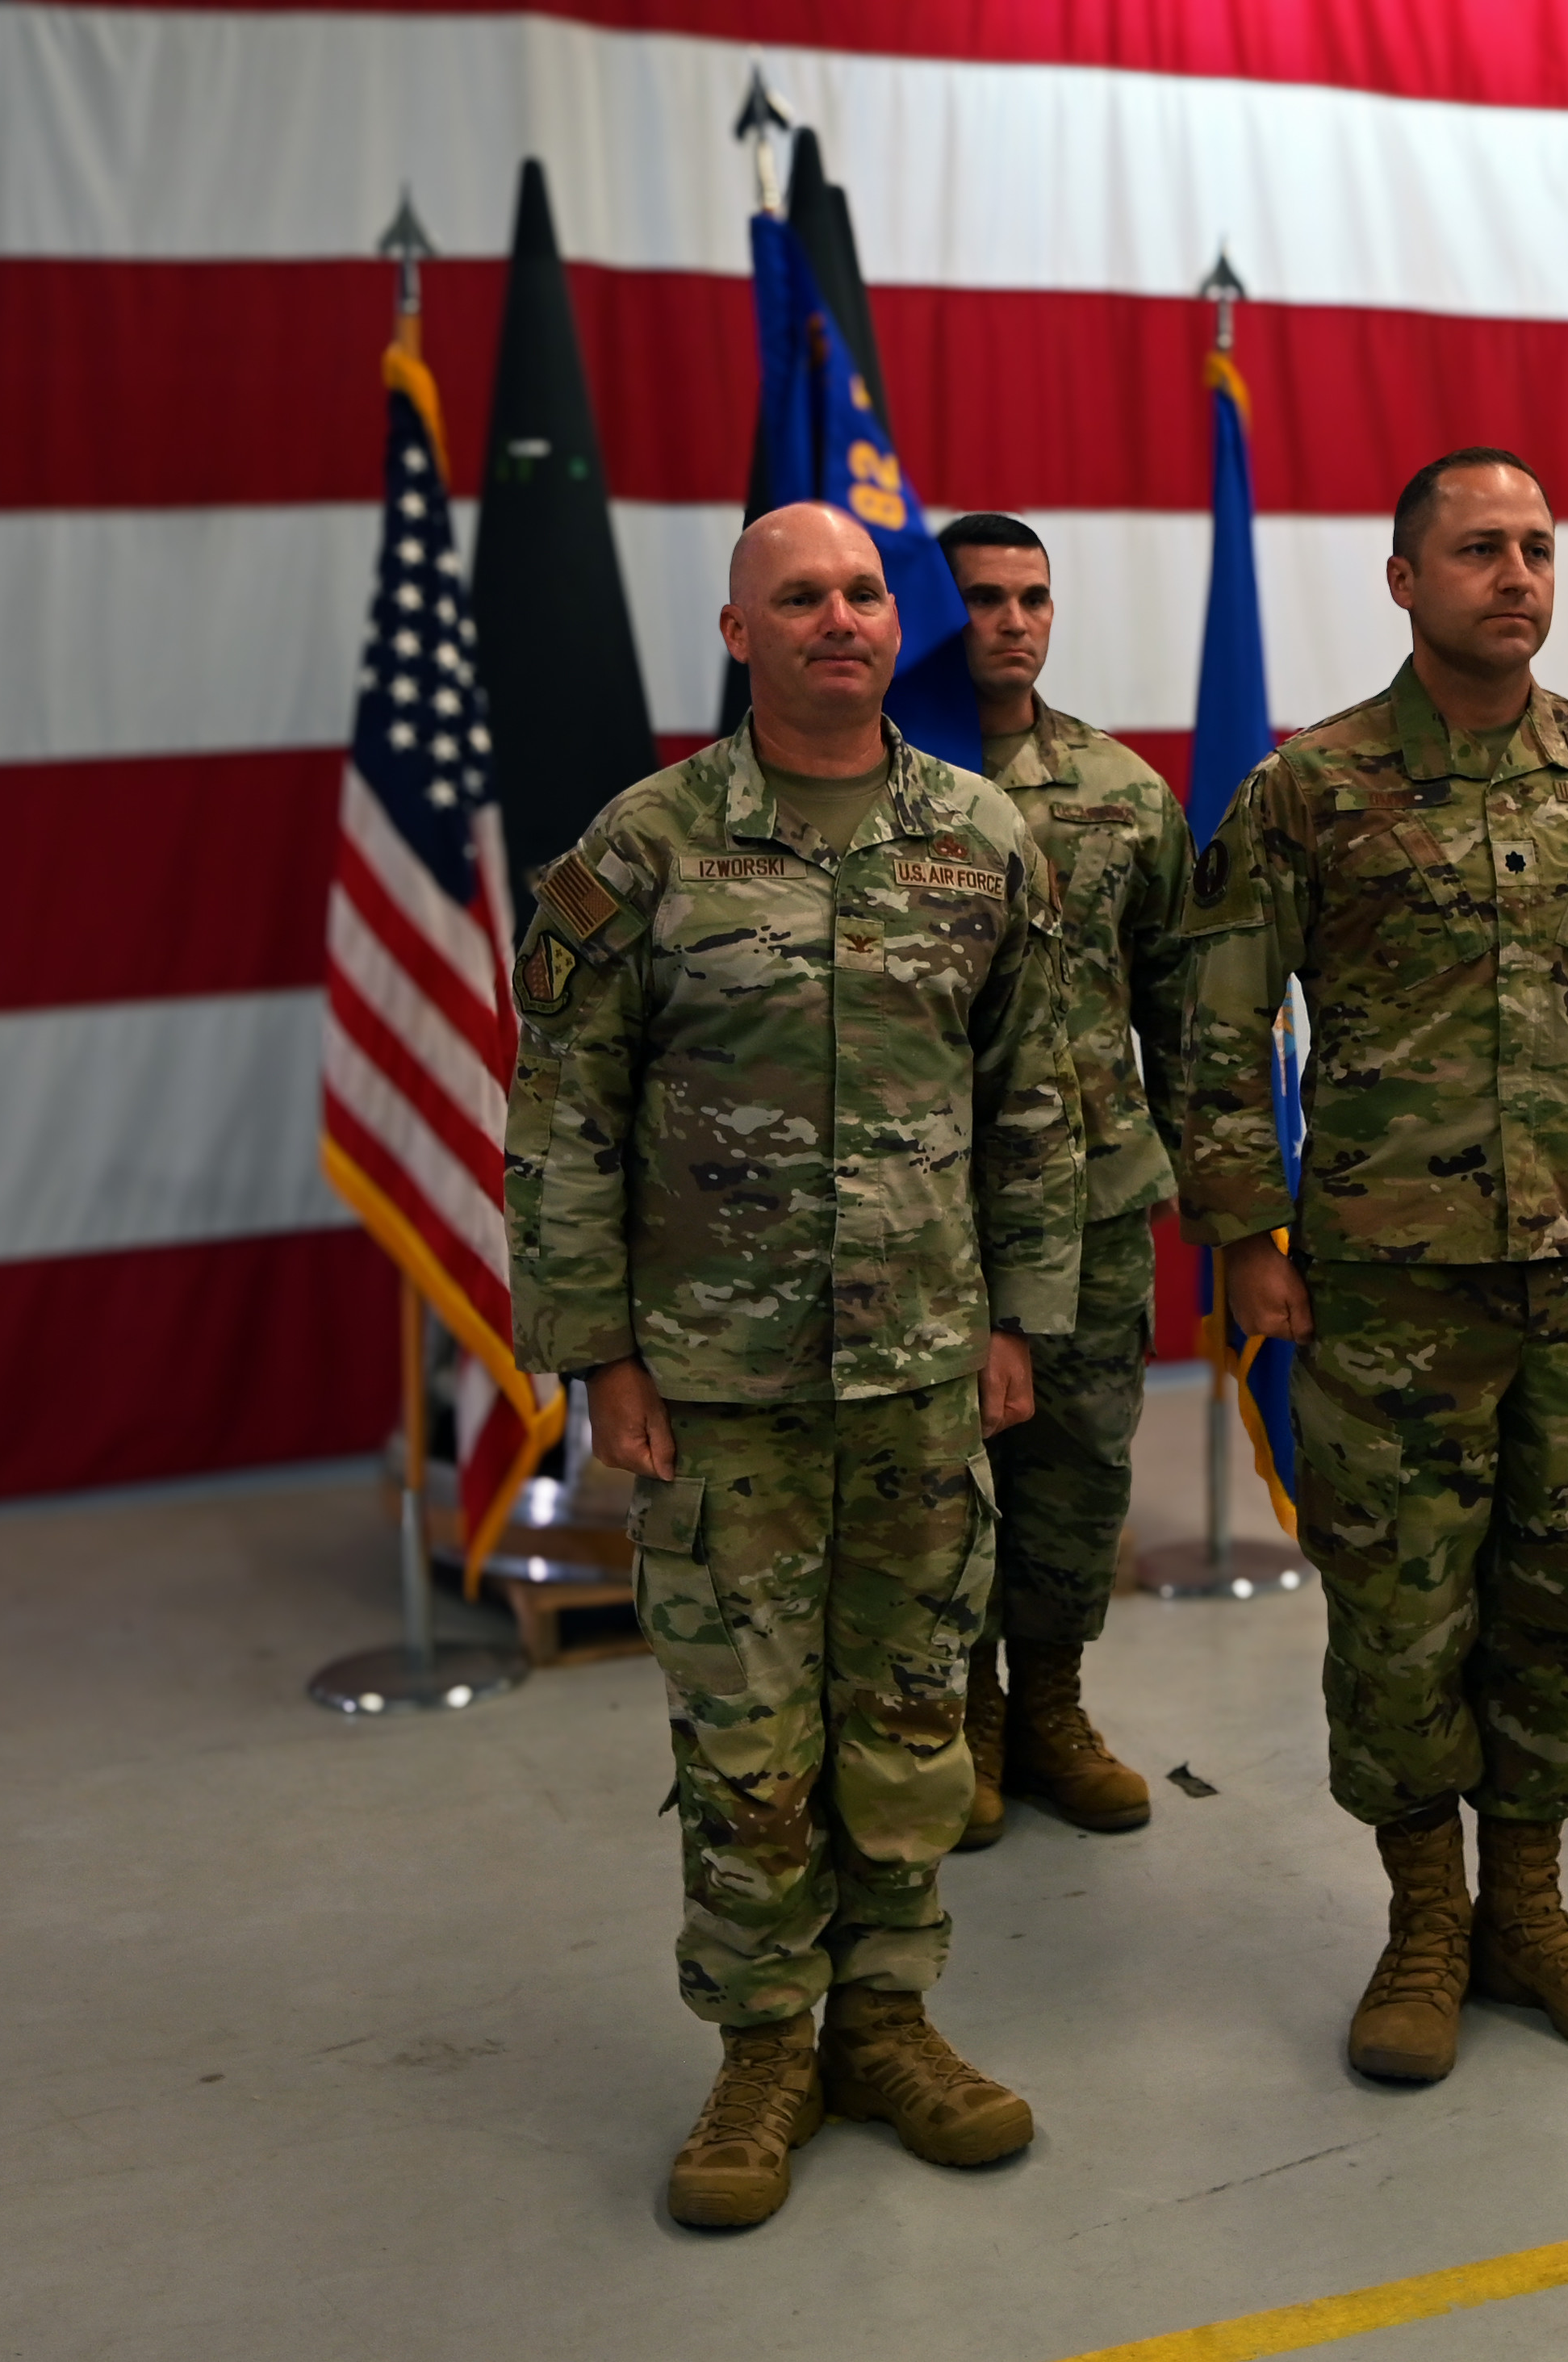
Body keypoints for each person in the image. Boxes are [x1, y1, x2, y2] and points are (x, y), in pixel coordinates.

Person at [503, 501, 1079, 2227]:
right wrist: (597, 1351)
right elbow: (565, 1119)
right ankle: (764, 2049)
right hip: (719, 1385)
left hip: (918, 1370)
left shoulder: (980, 836)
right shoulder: (650, 847)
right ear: (740, 633)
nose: (842, 616)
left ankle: (889, 2024)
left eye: (861, 591)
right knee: (747, 1740)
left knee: (907, 1722)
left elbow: (1033, 1098)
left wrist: (1011, 1319)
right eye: (801, 596)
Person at [1177, 449, 1568, 2085]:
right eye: (1479, 548)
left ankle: (1530, 1912)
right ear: (1403, 580)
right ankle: (1424, 1920)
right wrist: (1244, 1237)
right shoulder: (1311, 790)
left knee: (1562, 1599)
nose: (1517, 575)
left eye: (1539, 547)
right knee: (1401, 1610)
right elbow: (1216, 1025)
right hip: (1384, 1288)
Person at [934, 512, 1190, 1849]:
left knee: (1080, 1466)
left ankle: (1050, 1707)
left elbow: (1182, 1002)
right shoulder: (883, 779)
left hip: (1091, 1195)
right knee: (946, 1472)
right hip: (925, 1206)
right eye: (983, 598)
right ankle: (960, 1716)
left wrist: (1229, 1195)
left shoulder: (1120, 793)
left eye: (1032, 596)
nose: (1012, 621)